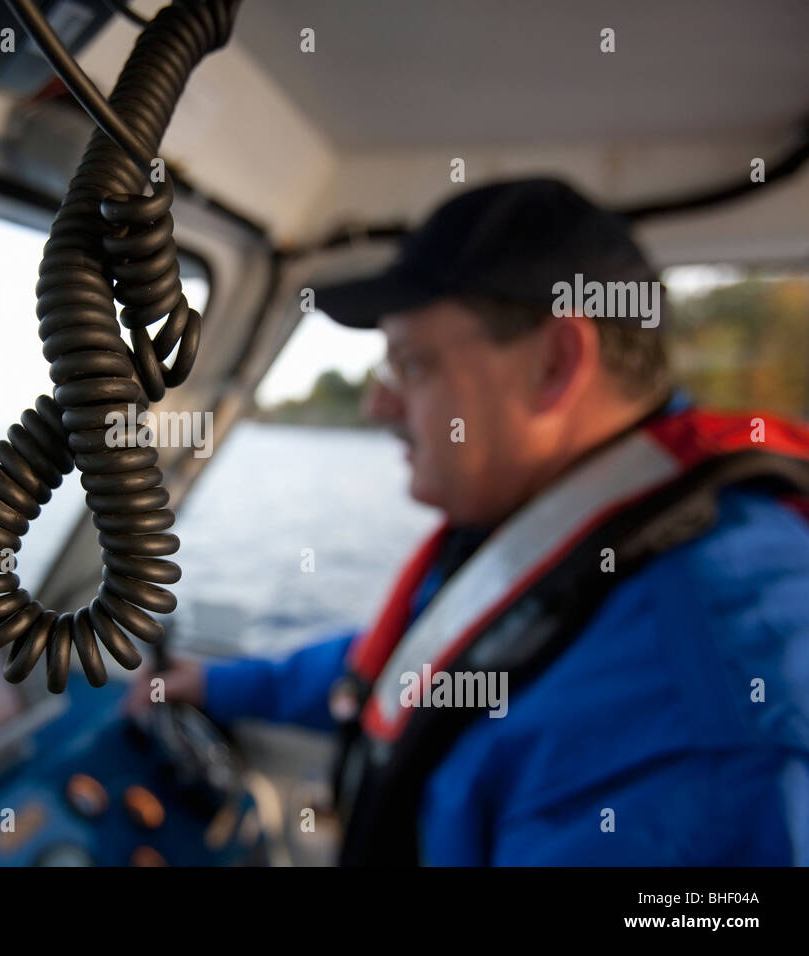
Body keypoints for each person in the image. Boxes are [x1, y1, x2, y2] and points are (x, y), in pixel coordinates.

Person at [123, 178, 809, 865]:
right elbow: (430, 660)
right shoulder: (573, 534)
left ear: (555, 364)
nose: (378, 408)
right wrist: (217, 684)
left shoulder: (699, 721)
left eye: (412, 366)